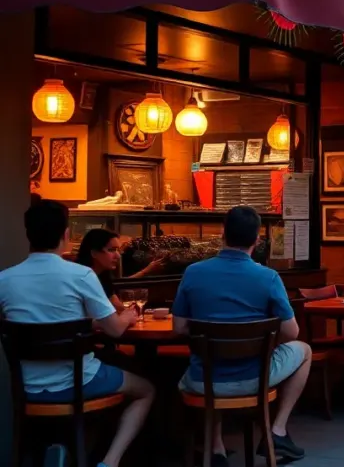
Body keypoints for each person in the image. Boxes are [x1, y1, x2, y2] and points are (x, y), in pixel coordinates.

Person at [0, 200, 154, 467]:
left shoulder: (5, 279)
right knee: (147, 389)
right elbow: (116, 331)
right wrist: (129, 315)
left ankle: (61, 450)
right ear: (66, 234)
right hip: (79, 383)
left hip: (26, 388)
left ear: (28, 235)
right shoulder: (80, 275)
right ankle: (109, 462)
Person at [172, 206, 311, 465]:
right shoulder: (268, 277)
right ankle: (277, 431)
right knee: (304, 351)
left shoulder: (193, 272)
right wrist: (263, 345)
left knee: (209, 362)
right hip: (253, 379)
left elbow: (179, 328)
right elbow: (292, 332)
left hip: (203, 381)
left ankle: (216, 448)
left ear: (222, 235)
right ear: (257, 240)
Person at [75, 228, 166, 306]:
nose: (118, 256)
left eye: (118, 250)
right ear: (94, 253)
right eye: (111, 250)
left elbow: (118, 307)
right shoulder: (81, 279)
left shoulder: (103, 276)